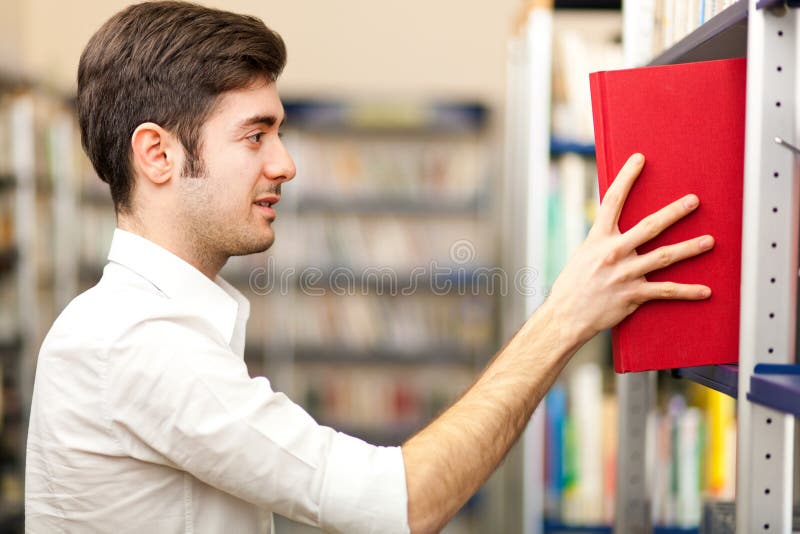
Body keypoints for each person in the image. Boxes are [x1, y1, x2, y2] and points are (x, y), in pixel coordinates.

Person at [24, 2, 715, 533]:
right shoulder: (139, 345)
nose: (285, 163)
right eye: (256, 134)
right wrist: (565, 315)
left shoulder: (144, 326)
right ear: (158, 155)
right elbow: (403, 502)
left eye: (280, 132)